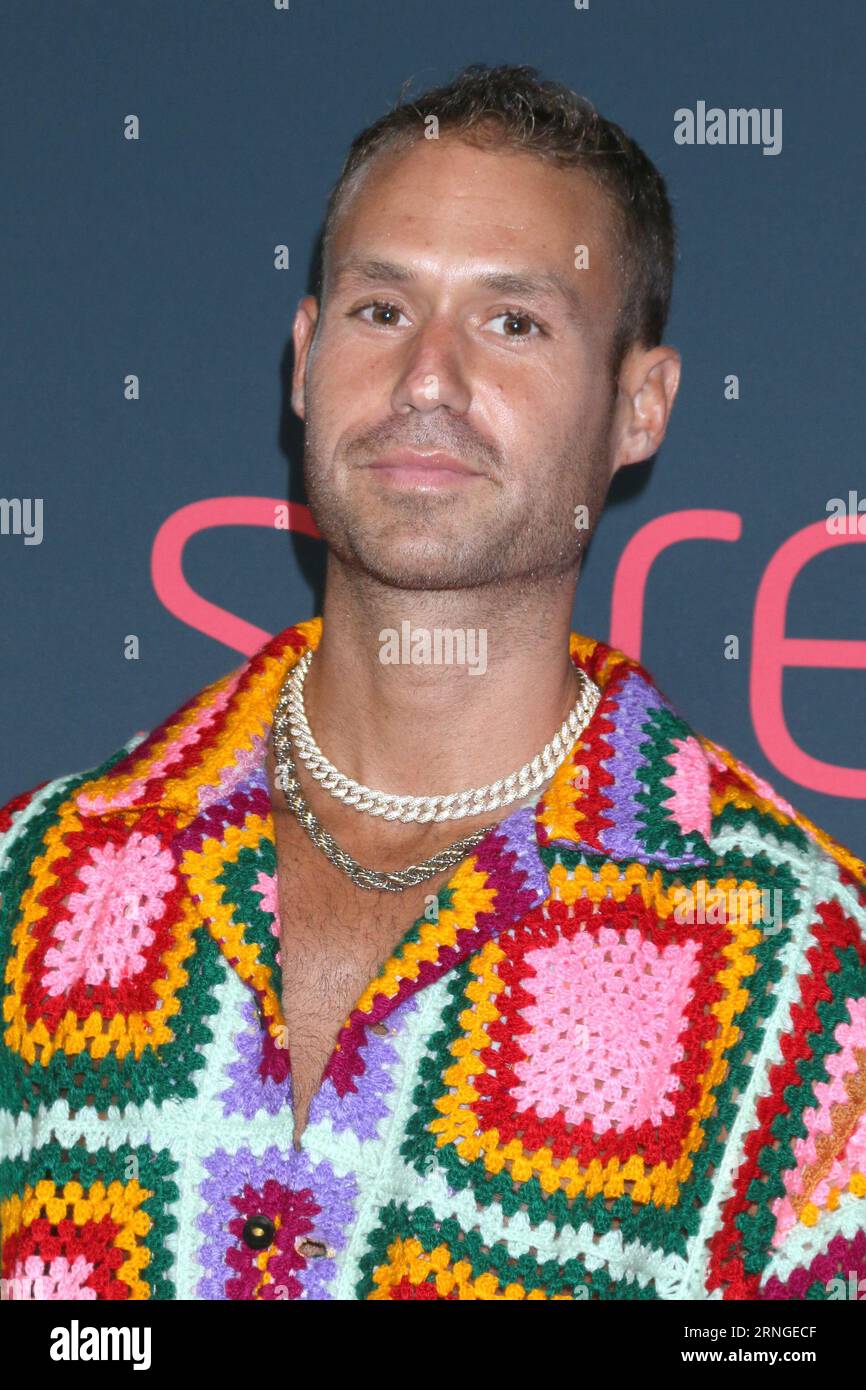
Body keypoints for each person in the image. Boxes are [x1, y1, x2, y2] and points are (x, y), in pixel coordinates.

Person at [1, 63, 863, 1304]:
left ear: (639, 406)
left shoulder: (802, 969)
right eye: (379, 309)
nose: (425, 381)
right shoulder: (43, 881)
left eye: (513, 321)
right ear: (302, 360)